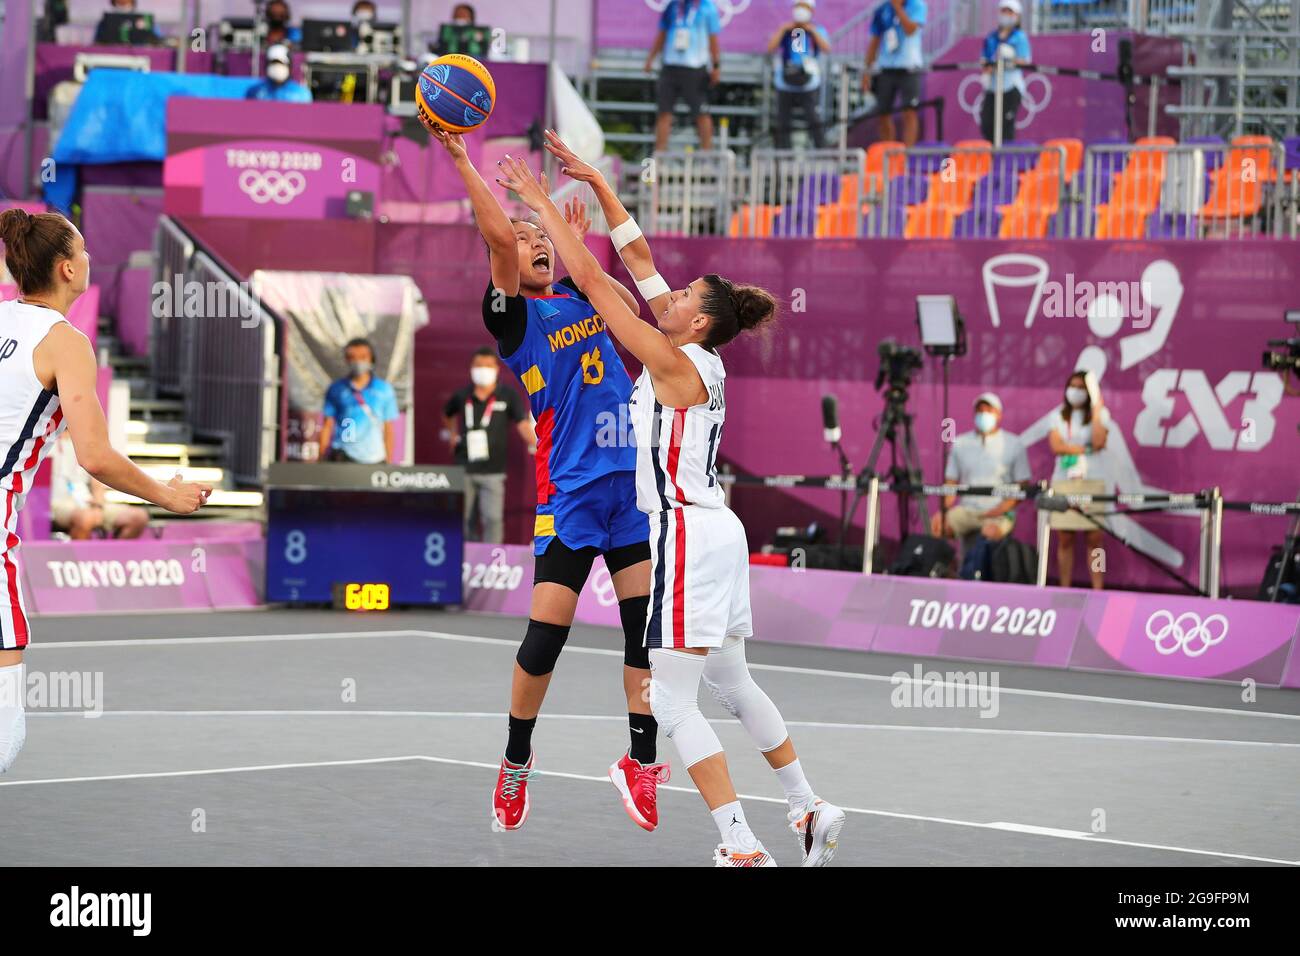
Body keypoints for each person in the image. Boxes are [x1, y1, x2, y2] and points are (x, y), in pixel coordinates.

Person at [516, 131, 847, 867]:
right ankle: (807, 805)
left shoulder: (669, 358)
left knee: (670, 701)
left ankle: (736, 841)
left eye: (685, 294)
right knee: (732, 679)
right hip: (717, 531)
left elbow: (603, 291)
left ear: (695, 320)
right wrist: (599, 186)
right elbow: (635, 259)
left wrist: (540, 204)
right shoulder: (698, 347)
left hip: (686, 536)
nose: (670, 291)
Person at [434, 127, 668, 836]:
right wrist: (461, 161)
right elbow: (500, 246)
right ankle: (514, 759)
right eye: (525, 235)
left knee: (644, 639)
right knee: (545, 642)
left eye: (542, 236)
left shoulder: (587, 296)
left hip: (628, 495)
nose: (533, 240)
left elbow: (596, 274)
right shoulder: (515, 318)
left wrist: (573, 243)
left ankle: (640, 761)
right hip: (568, 498)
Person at [0, 209, 210, 775]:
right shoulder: (65, 343)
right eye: (85, 251)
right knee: (4, 730)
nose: (92, 259)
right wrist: (164, 495)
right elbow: (94, 455)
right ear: (68, 269)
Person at [442, 347, 535, 544]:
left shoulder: (507, 396)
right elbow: (447, 413)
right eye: (479, 366)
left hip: (493, 470)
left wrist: (541, 446)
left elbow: (523, 424)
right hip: (463, 468)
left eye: (488, 366)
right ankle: (464, 558)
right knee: (463, 519)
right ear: (471, 368)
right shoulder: (463, 395)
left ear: (496, 369)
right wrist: (452, 434)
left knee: (492, 519)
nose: (483, 370)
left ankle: (491, 559)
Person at [933, 392, 1031, 548]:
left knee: (990, 533)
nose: (984, 414)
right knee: (938, 527)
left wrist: (1001, 509)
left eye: (989, 410)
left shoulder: (1014, 444)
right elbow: (951, 483)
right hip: (967, 509)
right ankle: (950, 571)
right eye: (980, 410)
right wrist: (943, 512)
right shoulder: (960, 443)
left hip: (1000, 512)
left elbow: (1023, 485)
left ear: (999, 414)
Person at [1048, 370, 1110, 590]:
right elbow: (1056, 446)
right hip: (1064, 481)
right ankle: (1065, 588)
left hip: (1092, 481)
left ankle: (1098, 588)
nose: (1076, 392)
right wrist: (1084, 449)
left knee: (1095, 539)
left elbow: (1099, 441)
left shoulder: (1101, 414)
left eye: (1082, 388)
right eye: (1072, 386)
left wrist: (1096, 408)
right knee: (1065, 538)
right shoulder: (1057, 415)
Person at [644, 0, 723, 153]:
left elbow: (713, 39)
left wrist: (716, 66)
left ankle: (706, 156)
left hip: (695, 68)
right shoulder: (672, 6)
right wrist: (650, 59)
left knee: (702, 113)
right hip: (670, 66)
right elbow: (662, 34)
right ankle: (660, 157)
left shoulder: (707, 7)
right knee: (664, 113)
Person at [49, 431, 150, 539]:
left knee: (138, 517)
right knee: (86, 518)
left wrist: (98, 506)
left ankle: (111, 555)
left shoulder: (85, 440)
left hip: (86, 501)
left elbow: (97, 481)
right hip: (55, 502)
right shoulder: (43, 436)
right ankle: (79, 556)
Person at [318, 338, 398, 464]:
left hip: (374, 458)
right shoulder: (336, 389)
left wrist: (388, 462)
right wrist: (321, 458)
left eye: (363, 357)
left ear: (371, 359)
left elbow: (388, 429)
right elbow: (327, 425)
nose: (358, 361)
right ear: (346, 360)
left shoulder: (384, 389)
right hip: (343, 455)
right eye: (352, 357)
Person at [768, 1, 832, 150]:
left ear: (811, 11)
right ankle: (783, 153)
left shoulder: (816, 29)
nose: (801, 11)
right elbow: (770, 48)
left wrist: (812, 31)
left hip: (808, 81)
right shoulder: (786, 30)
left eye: (804, 7)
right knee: (783, 120)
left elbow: (826, 48)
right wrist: (783, 29)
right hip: (786, 81)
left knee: (813, 118)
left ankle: (821, 150)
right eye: (798, 7)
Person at [864, 0, 928, 147]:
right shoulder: (882, 10)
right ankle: (889, 155)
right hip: (886, 68)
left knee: (909, 112)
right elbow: (874, 41)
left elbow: (910, 30)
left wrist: (898, 8)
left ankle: (907, 156)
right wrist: (866, 71)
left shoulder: (917, 5)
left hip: (909, 68)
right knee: (883, 113)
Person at [979, 0, 1031, 144]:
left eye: (1010, 12)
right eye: (1004, 11)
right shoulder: (991, 37)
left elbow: (1025, 60)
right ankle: (990, 161)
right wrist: (990, 64)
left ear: (1017, 15)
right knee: (987, 125)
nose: (1006, 15)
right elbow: (984, 61)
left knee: (1006, 127)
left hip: (1010, 87)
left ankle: (1005, 162)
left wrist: (1009, 58)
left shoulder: (1019, 37)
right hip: (993, 87)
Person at [245, 44, 311, 103]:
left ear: (289, 66)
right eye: (273, 63)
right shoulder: (255, 91)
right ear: (266, 65)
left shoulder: (301, 93)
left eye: (281, 63)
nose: (277, 67)